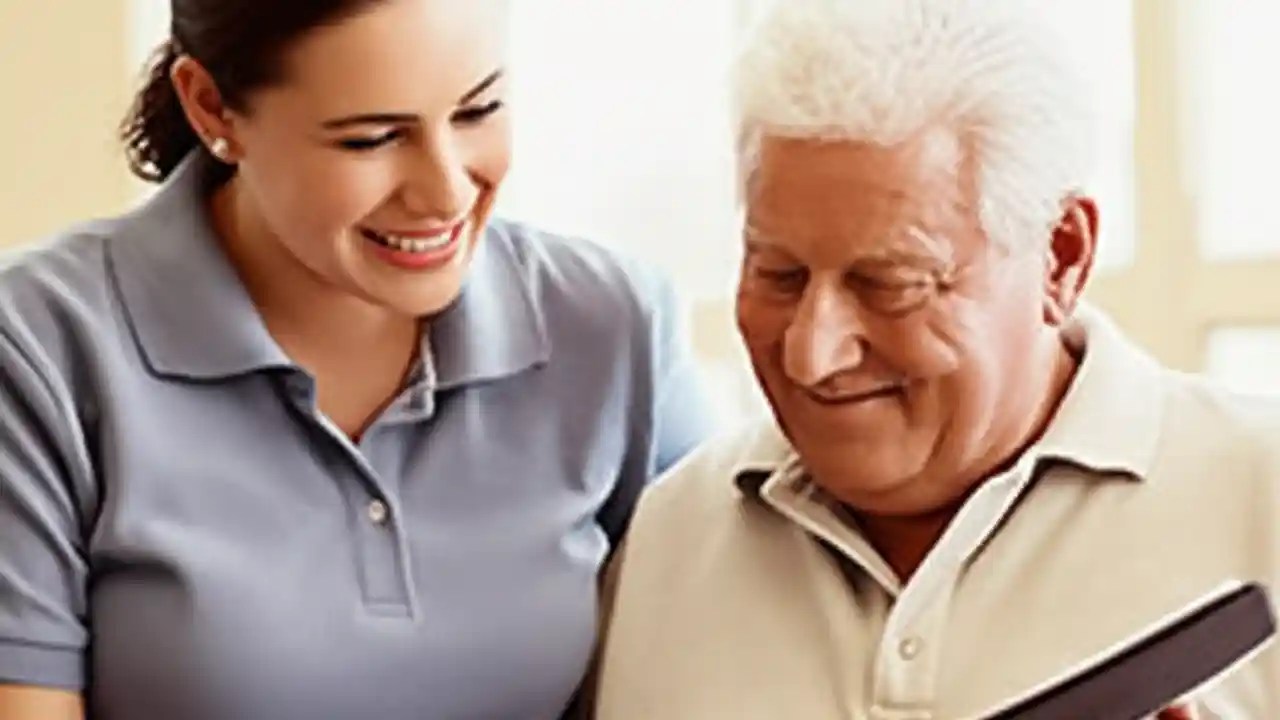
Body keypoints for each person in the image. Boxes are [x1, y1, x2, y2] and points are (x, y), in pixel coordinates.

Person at [0, 1, 711, 718]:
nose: (446, 192)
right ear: (212, 108)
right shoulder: (39, 347)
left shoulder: (613, 328)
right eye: (372, 139)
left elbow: (749, 642)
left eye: (478, 111)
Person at [591, 0, 1280, 718]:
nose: (810, 353)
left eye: (891, 284)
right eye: (778, 274)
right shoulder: (669, 537)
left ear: (1061, 257)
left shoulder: (1265, 492)